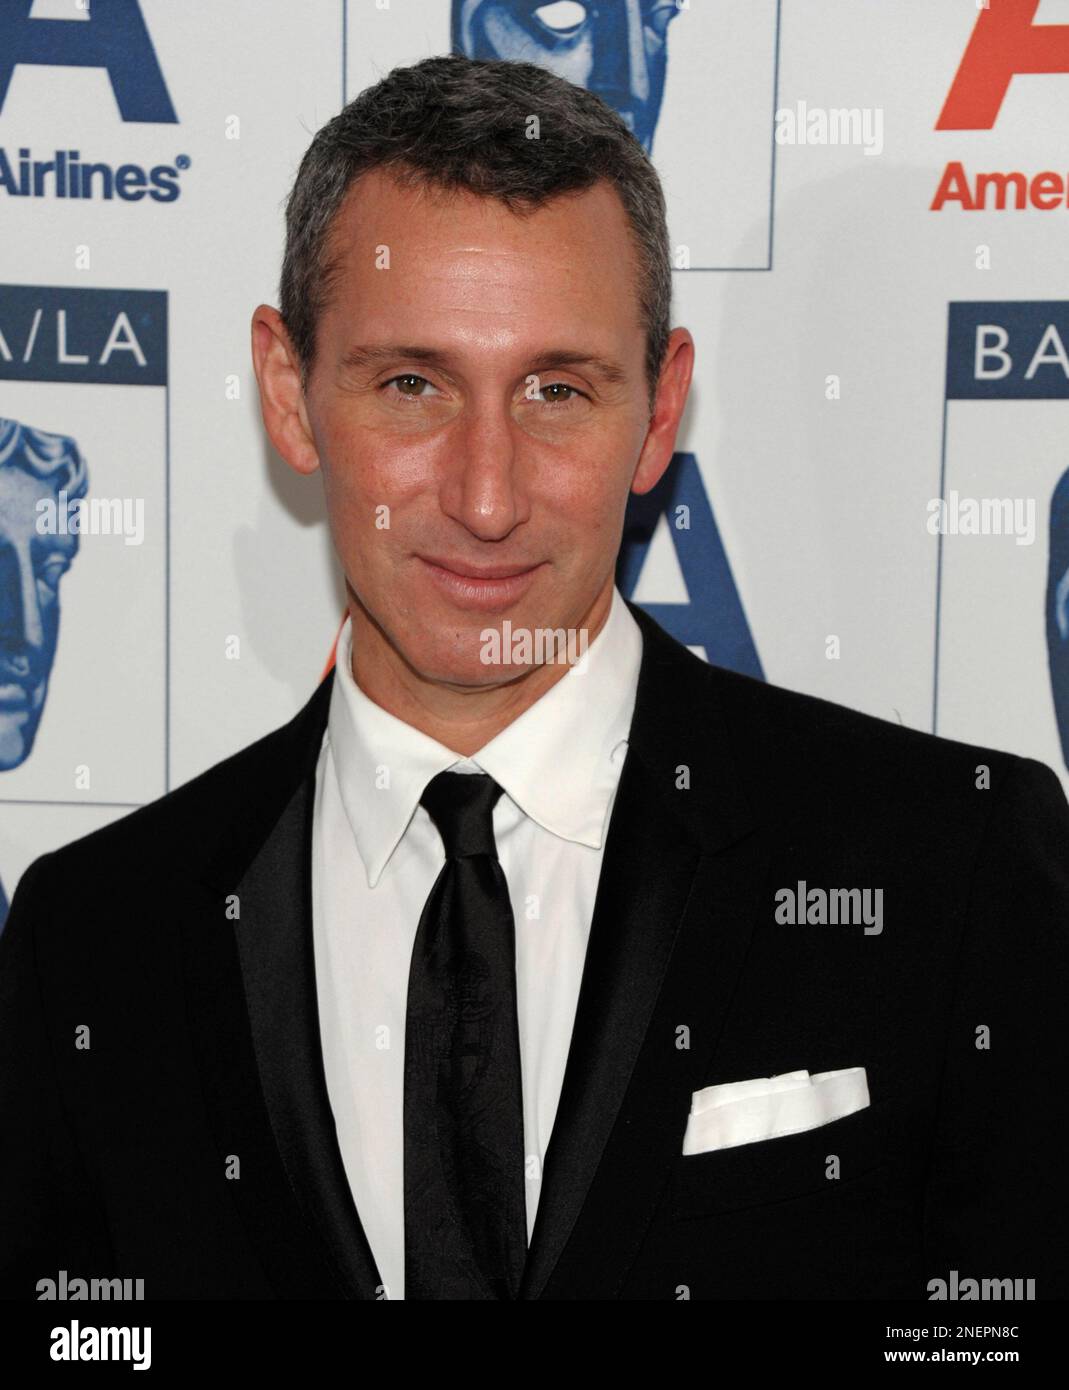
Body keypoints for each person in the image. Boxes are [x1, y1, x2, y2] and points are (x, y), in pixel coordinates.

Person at [2, 53, 1067, 1302]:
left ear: (660, 411)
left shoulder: (950, 864)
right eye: (412, 385)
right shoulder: (97, 939)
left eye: (557, 390)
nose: (486, 497)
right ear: (289, 395)